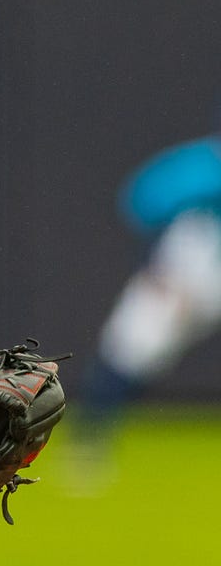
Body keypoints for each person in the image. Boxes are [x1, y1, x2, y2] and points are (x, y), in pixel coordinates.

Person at [75, 130, 221, 473]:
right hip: (179, 280)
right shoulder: (203, 166)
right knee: (128, 351)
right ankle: (89, 443)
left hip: (202, 282)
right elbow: (142, 203)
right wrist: (153, 267)